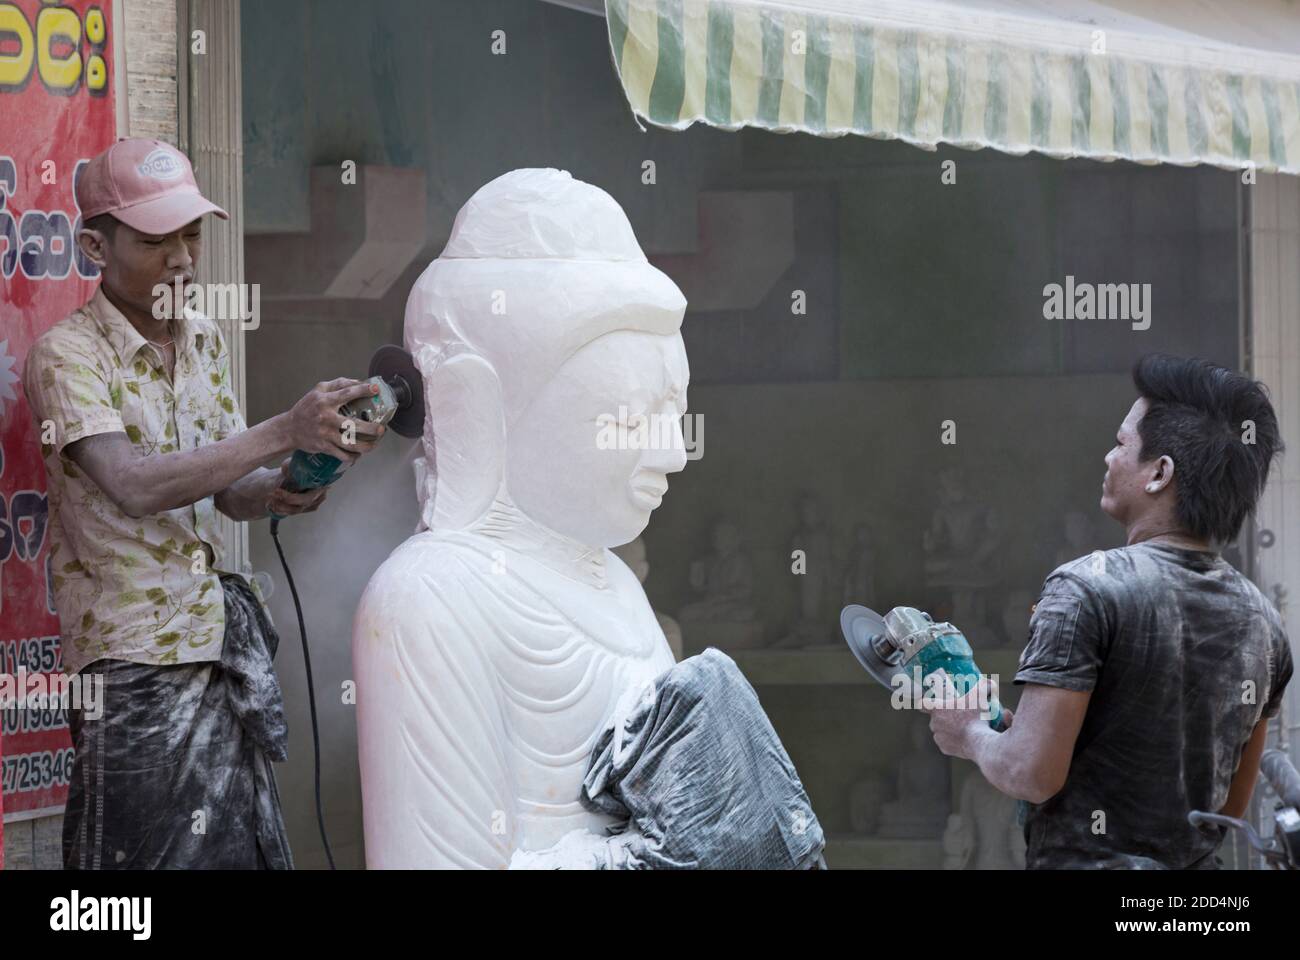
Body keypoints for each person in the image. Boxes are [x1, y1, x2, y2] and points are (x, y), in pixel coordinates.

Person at [22, 138, 384, 869]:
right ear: (96, 245)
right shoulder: (66, 356)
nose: (184, 257)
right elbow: (134, 485)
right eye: (158, 239)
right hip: (130, 665)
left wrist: (285, 484)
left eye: (192, 233)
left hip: (216, 644)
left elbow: (225, 489)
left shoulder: (205, 340)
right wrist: (281, 428)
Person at [923, 354, 1293, 869]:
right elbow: (1227, 806)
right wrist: (1030, 733)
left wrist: (970, 734)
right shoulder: (1266, 625)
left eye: (1122, 444)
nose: (1108, 458)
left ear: (1160, 473)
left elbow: (1032, 774)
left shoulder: (1085, 587)